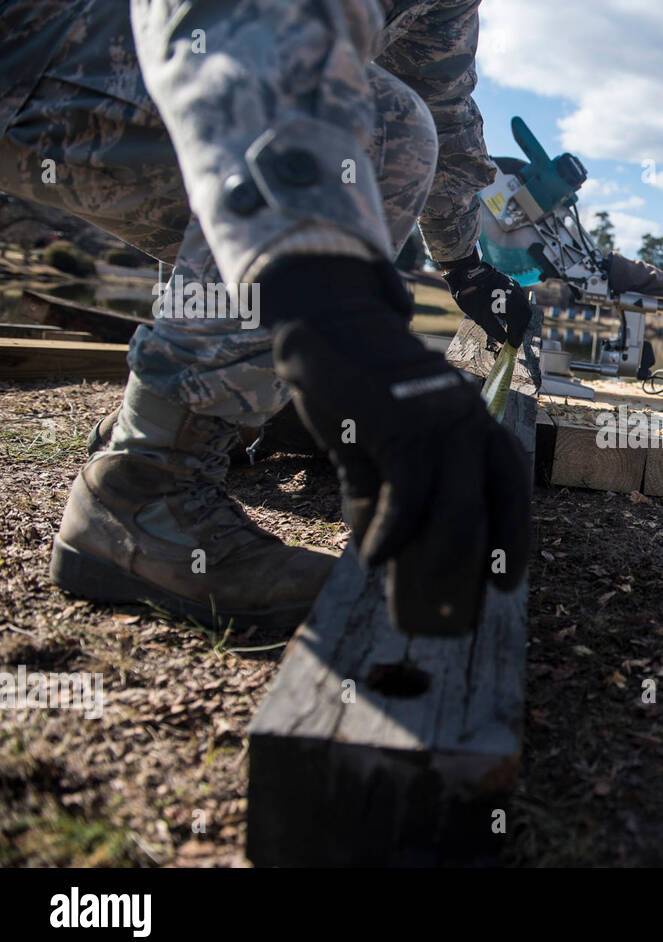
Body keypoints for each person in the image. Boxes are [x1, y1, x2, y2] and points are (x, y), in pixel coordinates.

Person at [0, 1, 532, 634]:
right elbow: (236, 27)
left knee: (380, 121)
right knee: (383, 129)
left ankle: (185, 418)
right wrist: (334, 317)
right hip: (36, 42)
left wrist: (464, 266)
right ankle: (148, 485)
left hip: (129, 62)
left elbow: (441, 101)